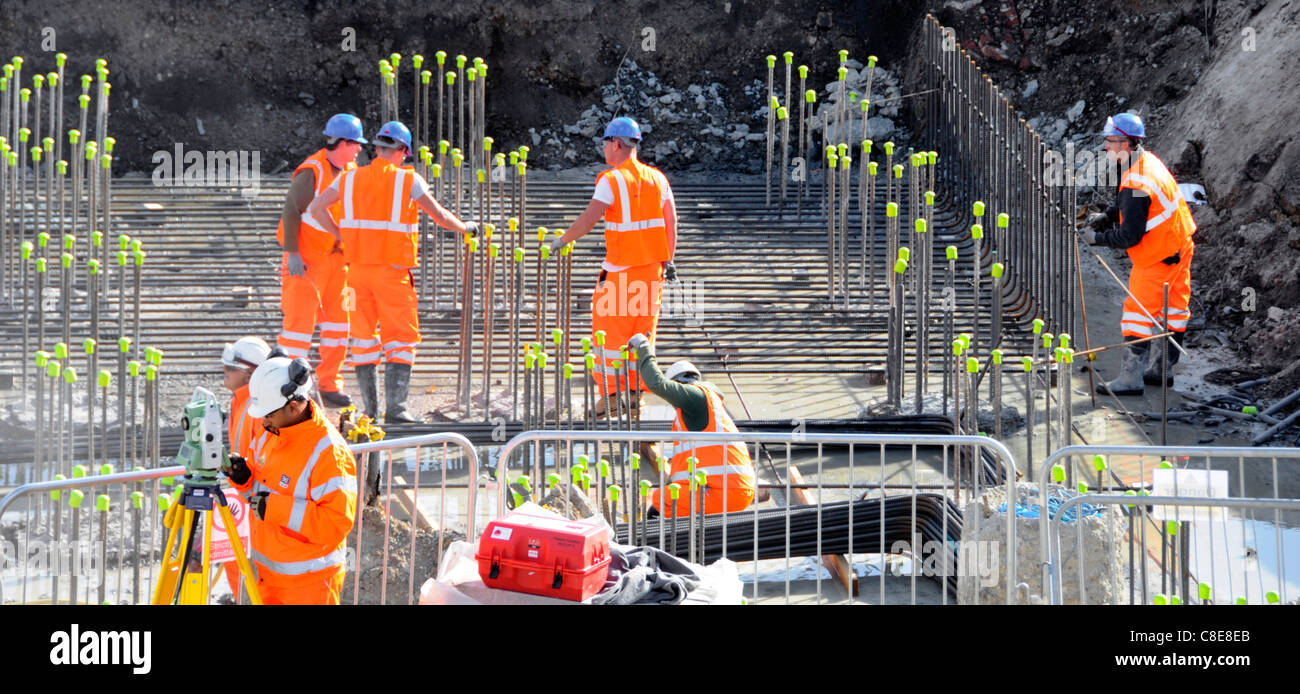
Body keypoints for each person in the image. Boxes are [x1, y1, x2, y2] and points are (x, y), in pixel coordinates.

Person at [307, 120, 480, 423]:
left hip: (355, 275)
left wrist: (340, 235)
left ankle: (370, 411)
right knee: (401, 339)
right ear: (401, 151)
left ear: (376, 149)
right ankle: (397, 410)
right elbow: (439, 215)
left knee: (362, 340)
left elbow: (317, 207)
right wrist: (467, 228)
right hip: (392, 275)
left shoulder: (348, 180)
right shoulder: (407, 181)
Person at [549, 117, 678, 415]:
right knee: (642, 337)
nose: (603, 148)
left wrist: (562, 240)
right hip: (652, 274)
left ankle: (610, 398)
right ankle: (635, 399)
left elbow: (589, 218)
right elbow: (672, 220)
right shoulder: (658, 179)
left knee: (608, 338)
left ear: (617, 144)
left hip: (620, 275)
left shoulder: (611, 179)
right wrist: (669, 259)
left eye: (605, 142)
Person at [222, 356, 357, 605]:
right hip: (270, 578)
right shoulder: (271, 433)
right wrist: (243, 477)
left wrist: (273, 508)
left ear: (293, 407)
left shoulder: (329, 453)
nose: (263, 422)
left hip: (310, 586)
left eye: (268, 415)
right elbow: (258, 495)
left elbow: (336, 524)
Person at [1081, 113, 1196, 394]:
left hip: (1157, 258)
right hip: (1180, 246)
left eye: (1109, 141)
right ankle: (1160, 370)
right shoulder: (1147, 161)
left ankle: (1131, 379)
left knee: (1137, 315)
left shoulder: (1135, 183)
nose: (1105, 147)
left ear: (1126, 143)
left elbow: (1129, 236)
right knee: (1174, 310)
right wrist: (1109, 215)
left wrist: (1096, 238)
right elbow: (1139, 207)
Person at [276, 114, 366, 408]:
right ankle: (289, 386)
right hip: (307, 259)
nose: (359, 150)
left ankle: (329, 383)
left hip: (336, 260)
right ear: (342, 143)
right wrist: (292, 253)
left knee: (339, 325)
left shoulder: (351, 170)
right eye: (356, 144)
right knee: (298, 327)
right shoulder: (312, 170)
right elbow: (291, 211)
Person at [627, 333, 754, 517]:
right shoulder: (704, 408)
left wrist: (644, 347)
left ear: (681, 383)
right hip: (727, 490)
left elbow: (656, 383)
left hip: (723, 492)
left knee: (661, 500)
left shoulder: (696, 397)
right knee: (668, 500)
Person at [217, 335, 271, 599]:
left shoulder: (257, 409)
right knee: (235, 563)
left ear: (249, 375)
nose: (224, 371)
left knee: (247, 569)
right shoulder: (241, 401)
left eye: (230, 368)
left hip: (254, 505)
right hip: (241, 500)